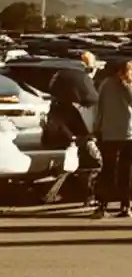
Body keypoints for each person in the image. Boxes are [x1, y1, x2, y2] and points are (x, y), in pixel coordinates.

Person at [92, 60, 132, 219]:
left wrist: (97, 128)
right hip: (130, 133)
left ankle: (103, 205)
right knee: (125, 170)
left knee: (109, 169)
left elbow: (99, 108)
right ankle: (125, 205)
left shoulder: (106, 84)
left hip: (111, 133)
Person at [45, 52, 101, 206]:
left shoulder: (62, 86)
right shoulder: (80, 88)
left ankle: (78, 194)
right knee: (90, 164)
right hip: (78, 135)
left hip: (71, 134)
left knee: (75, 166)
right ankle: (87, 195)